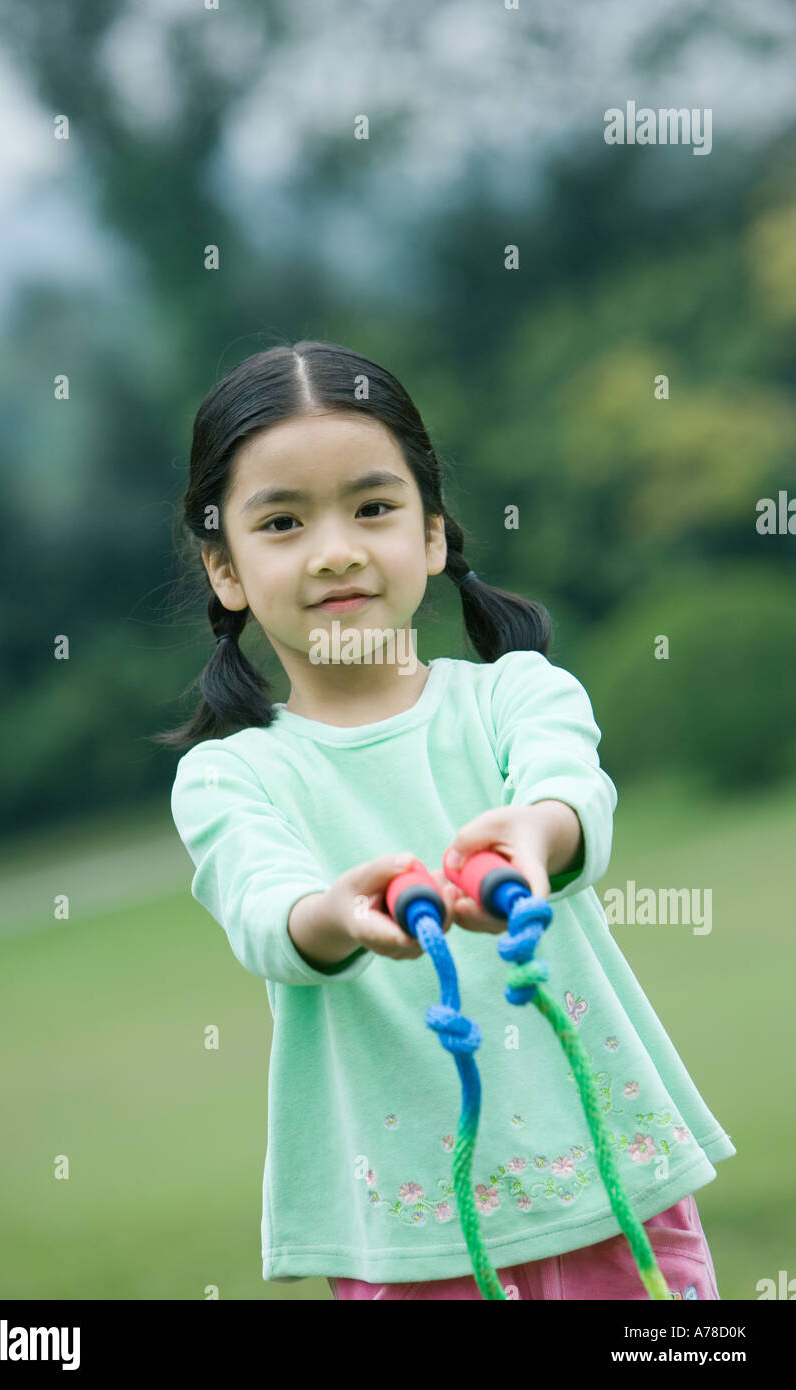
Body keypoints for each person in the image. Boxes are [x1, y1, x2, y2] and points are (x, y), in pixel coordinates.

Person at [161, 339, 735, 1300]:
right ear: (225, 568)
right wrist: (335, 915)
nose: (336, 548)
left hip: (609, 1187)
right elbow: (268, 909)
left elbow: (569, 789)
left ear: (432, 535)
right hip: (409, 1234)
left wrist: (535, 835)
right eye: (284, 522)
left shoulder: (516, 695)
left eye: (373, 507)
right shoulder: (230, 777)